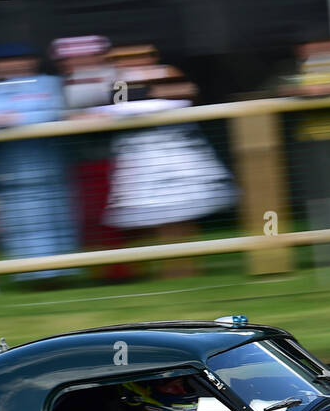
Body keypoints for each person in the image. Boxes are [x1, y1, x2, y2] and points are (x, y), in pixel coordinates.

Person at [89, 64, 236, 279]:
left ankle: (188, 266)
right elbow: (113, 106)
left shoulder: (166, 71)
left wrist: (153, 94)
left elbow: (188, 93)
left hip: (178, 152)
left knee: (183, 215)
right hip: (142, 156)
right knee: (162, 216)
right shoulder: (119, 78)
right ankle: (173, 268)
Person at [0, 42, 78, 284]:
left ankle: (63, 273)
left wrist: (15, 118)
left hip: (52, 169)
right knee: (20, 224)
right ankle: (32, 277)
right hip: (9, 174)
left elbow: (56, 111)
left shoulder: (50, 83)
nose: (12, 64)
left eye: (19, 58)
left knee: (57, 221)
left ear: (32, 61)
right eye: (3, 61)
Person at [51, 35, 133, 283]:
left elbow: (124, 107)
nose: (80, 60)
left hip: (117, 158)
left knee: (117, 217)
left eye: (87, 54)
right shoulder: (60, 85)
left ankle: (120, 272)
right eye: (73, 57)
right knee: (91, 219)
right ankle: (102, 272)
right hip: (79, 163)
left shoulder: (117, 78)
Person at [275, 34, 330, 268]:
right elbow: (273, 88)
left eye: (326, 43)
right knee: (319, 198)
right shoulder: (290, 68)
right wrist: (303, 90)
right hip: (307, 142)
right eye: (314, 44)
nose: (321, 48)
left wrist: (328, 88)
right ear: (301, 48)